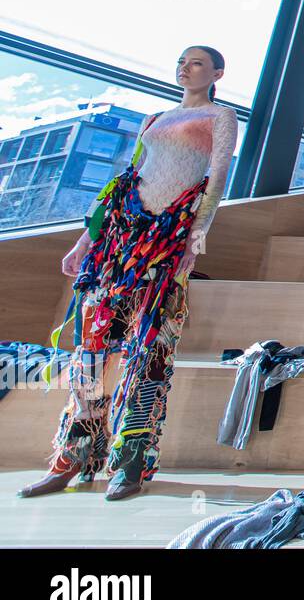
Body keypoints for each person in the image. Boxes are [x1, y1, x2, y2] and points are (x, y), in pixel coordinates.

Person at [19, 46, 237, 502]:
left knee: (150, 350)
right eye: (180, 60)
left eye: (196, 62)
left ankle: (131, 461)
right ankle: (75, 454)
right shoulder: (153, 119)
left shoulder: (221, 117)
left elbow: (216, 180)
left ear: (217, 72)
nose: (184, 67)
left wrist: (195, 239)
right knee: (92, 351)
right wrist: (84, 241)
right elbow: (127, 177)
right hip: (119, 242)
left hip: (168, 241)